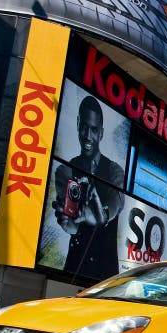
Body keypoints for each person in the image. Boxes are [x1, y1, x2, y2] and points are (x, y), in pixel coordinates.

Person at [53, 95, 124, 279]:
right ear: (77, 124)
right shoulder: (64, 170)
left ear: (101, 132)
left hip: (106, 272)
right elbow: (71, 221)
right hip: (75, 268)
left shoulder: (115, 170)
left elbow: (116, 200)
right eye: (84, 127)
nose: (87, 136)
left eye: (93, 129)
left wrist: (102, 213)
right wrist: (70, 225)